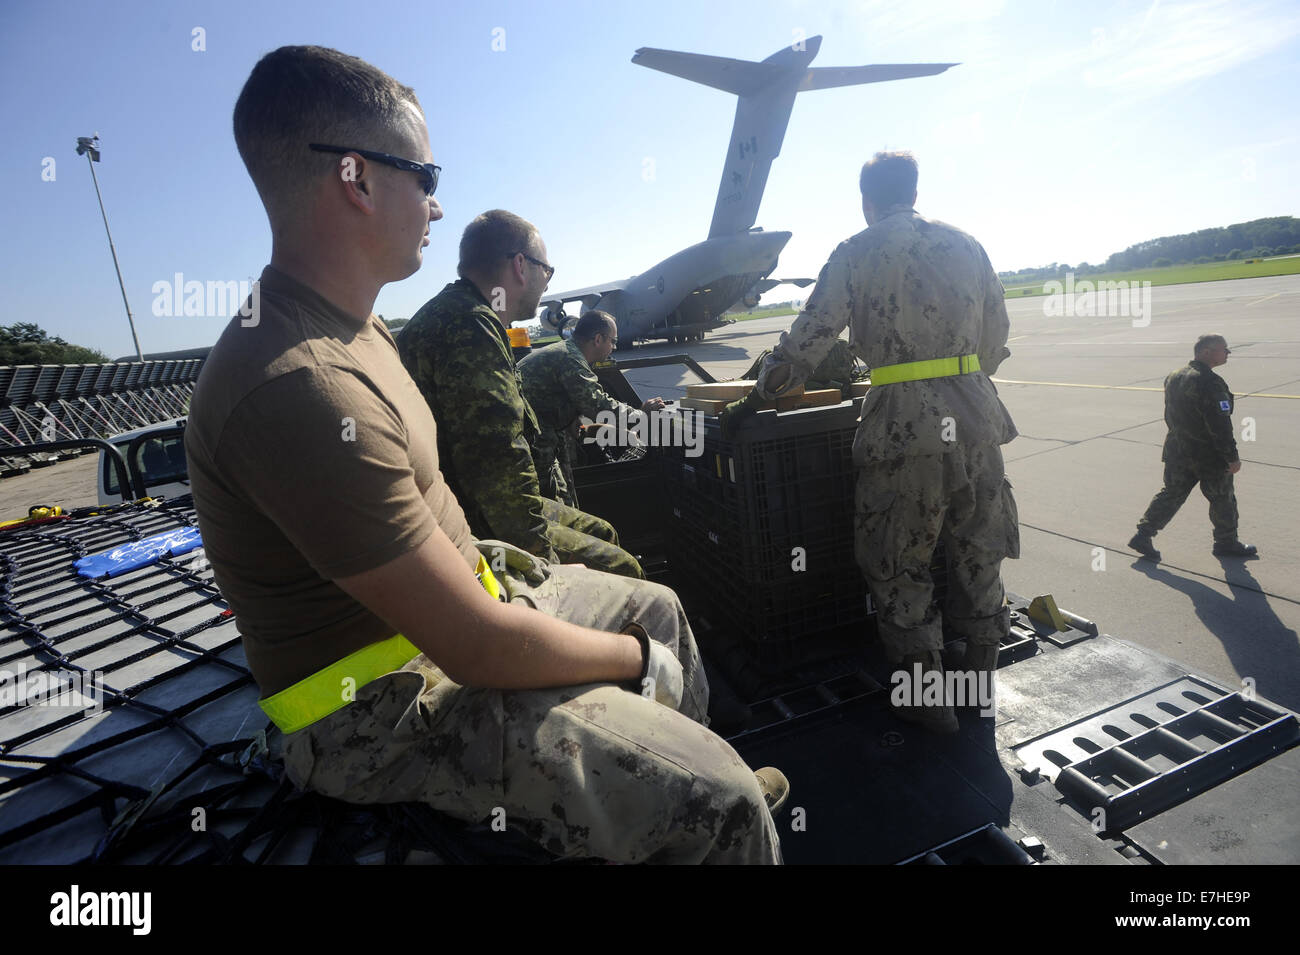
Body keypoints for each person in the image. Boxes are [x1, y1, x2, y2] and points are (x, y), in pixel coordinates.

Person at [184, 44, 783, 864]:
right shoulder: (298, 385)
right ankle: (709, 806)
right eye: (426, 177)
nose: (437, 207)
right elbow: (474, 648)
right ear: (356, 178)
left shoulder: (360, 327)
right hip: (386, 707)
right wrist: (637, 663)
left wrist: (629, 642)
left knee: (664, 607)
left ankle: (679, 787)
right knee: (727, 803)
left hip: (462, 614)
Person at [723, 150, 1019, 734]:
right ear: (914, 188)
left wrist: (755, 398)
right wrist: (959, 374)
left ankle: (929, 701)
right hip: (978, 419)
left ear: (867, 201)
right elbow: (997, 336)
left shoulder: (857, 252)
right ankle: (980, 678)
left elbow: (808, 339)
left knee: (899, 560)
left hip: (903, 429)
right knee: (979, 548)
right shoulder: (968, 245)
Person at [398, 212, 644, 579]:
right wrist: (542, 562)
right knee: (622, 568)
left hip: (466, 505)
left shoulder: (467, 314)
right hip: (470, 518)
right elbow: (496, 462)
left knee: (602, 531)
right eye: (547, 270)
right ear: (520, 266)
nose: (547, 282)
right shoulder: (469, 326)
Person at [518, 309, 665, 507]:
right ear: (598, 339)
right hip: (535, 443)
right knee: (555, 509)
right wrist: (641, 414)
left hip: (539, 437)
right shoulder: (570, 359)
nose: (613, 347)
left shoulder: (565, 352)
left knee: (564, 502)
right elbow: (598, 406)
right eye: (612, 341)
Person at [1129, 335, 1256, 560]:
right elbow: (1219, 423)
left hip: (1178, 450)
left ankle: (1143, 534)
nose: (1227, 353)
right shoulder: (1209, 381)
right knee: (1222, 499)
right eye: (1223, 349)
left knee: (1171, 494)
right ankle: (1226, 543)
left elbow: (1171, 414)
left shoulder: (1174, 376)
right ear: (1206, 352)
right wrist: (1231, 456)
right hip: (1208, 456)